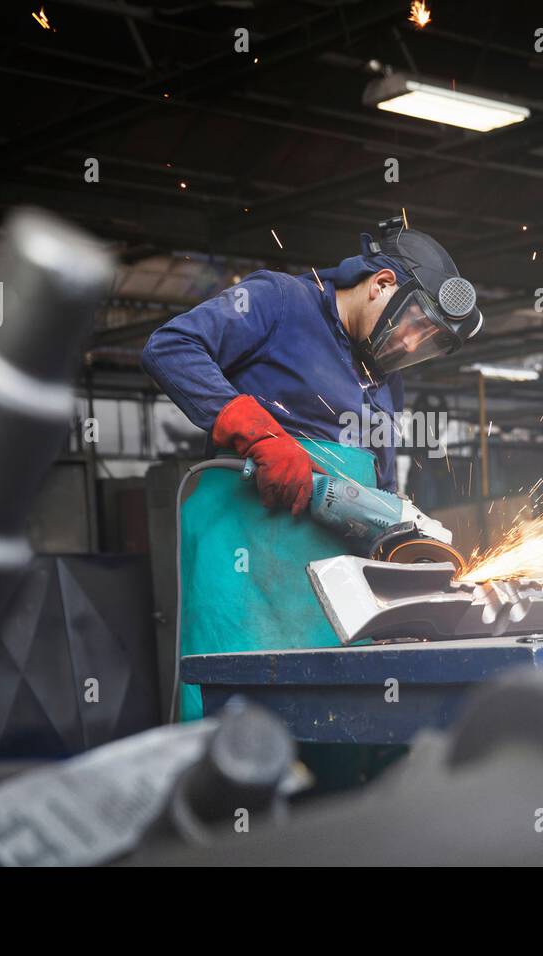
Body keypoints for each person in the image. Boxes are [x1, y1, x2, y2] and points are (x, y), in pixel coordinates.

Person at [142, 216, 483, 719]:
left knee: (339, 734)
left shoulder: (385, 381)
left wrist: (405, 545)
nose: (412, 346)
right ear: (381, 285)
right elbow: (170, 348)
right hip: (247, 570)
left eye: (427, 342)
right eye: (415, 327)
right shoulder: (280, 300)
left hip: (333, 597)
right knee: (240, 737)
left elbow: (382, 489)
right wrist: (260, 435)